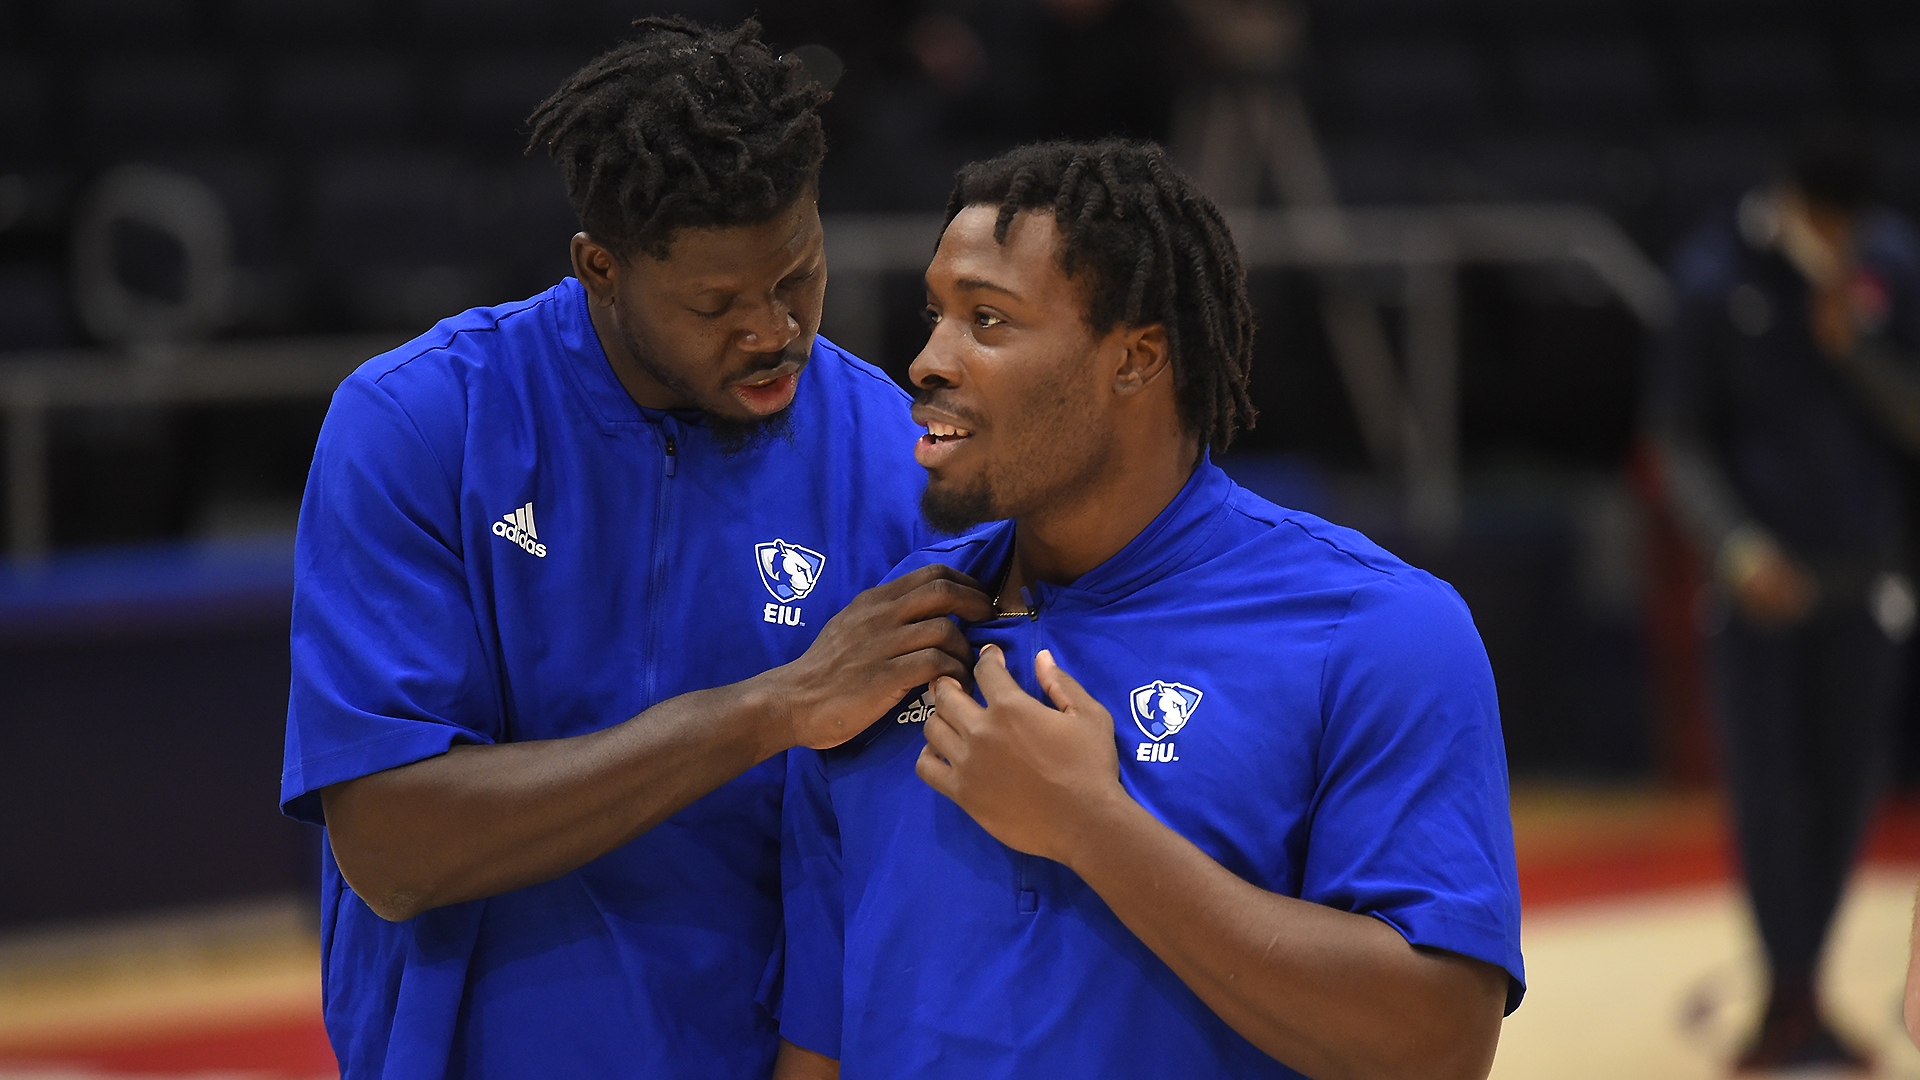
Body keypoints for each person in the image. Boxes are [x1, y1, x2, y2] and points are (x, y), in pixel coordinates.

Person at [279, 18, 991, 1078]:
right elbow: (392, 845)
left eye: (797, 277)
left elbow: (906, 865)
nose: (772, 330)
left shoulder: (897, 460)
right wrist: (773, 708)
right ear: (599, 267)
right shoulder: (417, 423)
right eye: (716, 303)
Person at [772, 140, 1523, 1080]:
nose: (927, 361)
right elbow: (819, 1042)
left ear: (1135, 359)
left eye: (989, 321)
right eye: (937, 315)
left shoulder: (1374, 631)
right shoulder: (875, 641)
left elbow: (1441, 1044)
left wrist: (1095, 829)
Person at [1650, 126, 1920, 1073]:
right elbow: (1678, 440)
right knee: (1767, 798)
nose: (1842, 245)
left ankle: (1800, 994)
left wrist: (1856, 352)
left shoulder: (1888, 267)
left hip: (1865, 581)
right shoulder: (1713, 276)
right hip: (1757, 593)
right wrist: (1734, 547)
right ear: (1794, 200)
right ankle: (1789, 998)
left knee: (1845, 792)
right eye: (1827, 225)